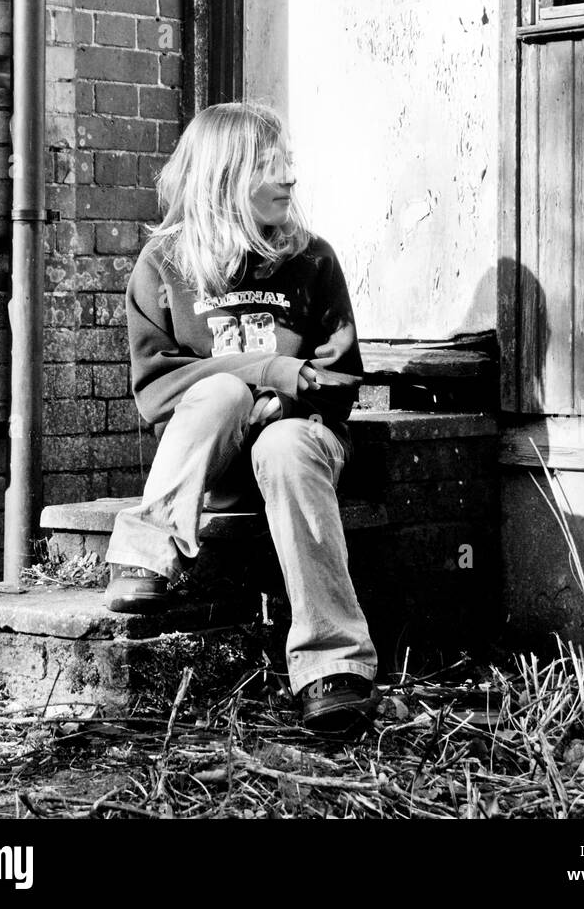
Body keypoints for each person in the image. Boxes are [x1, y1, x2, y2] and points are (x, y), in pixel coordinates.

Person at [104, 101, 379, 733]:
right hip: (212, 460)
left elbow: (339, 378)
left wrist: (286, 398)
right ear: (226, 174)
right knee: (222, 396)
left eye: (288, 163)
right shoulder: (165, 265)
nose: (289, 177)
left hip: (300, 447)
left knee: (283, 445)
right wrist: (261, 374)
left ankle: (334, 665)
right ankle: (146, 553)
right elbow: (158, 388)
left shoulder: (312, 259)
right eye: (270, 164)